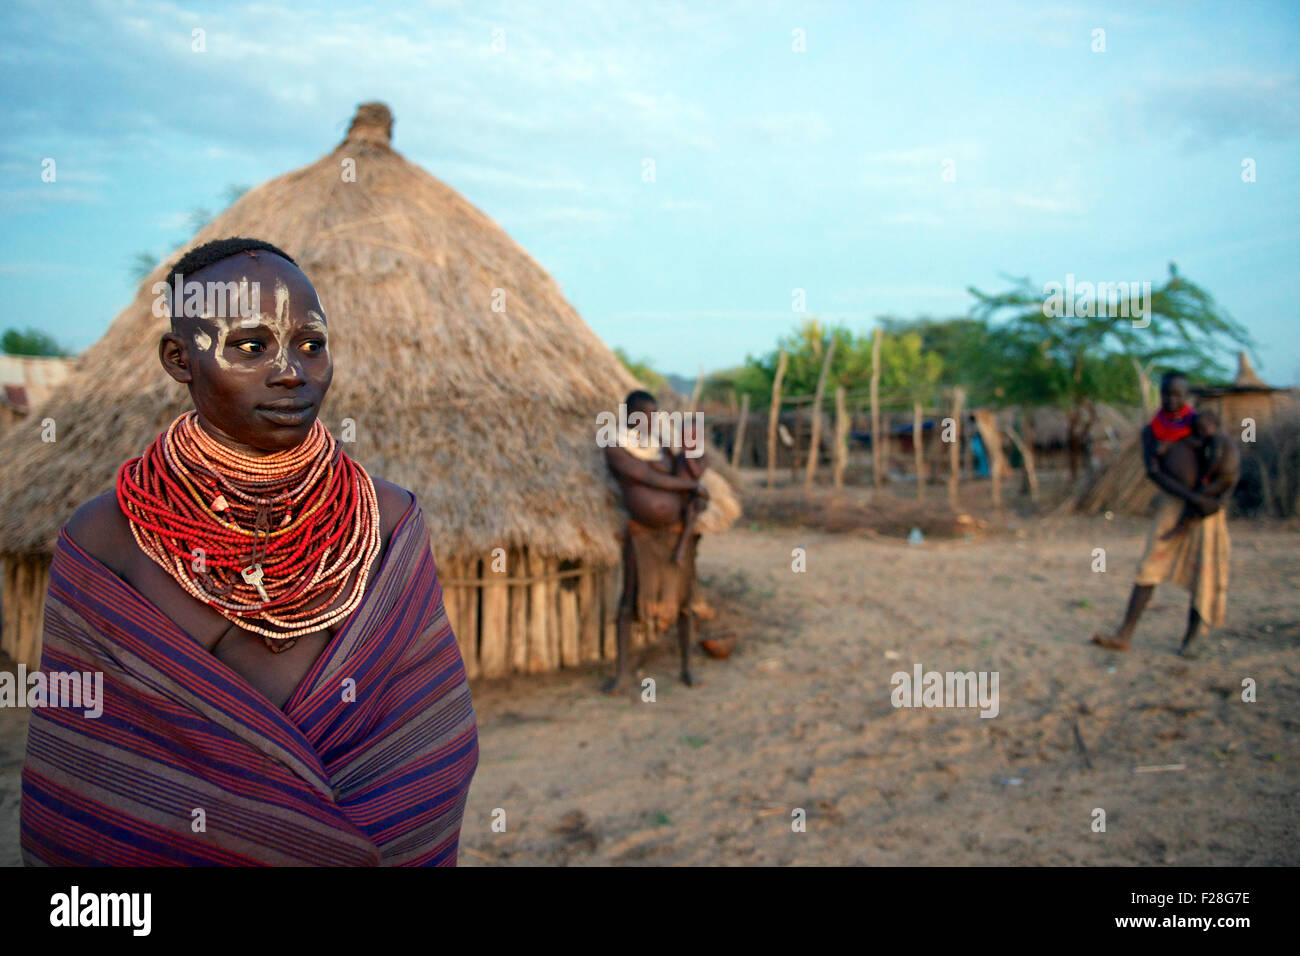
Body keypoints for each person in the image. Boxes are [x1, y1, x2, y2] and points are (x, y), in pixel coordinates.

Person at [20, 237, 479, 865]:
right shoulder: (108, 537)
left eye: (312, 345)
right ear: (179, 360)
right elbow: (86, 768)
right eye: (251, 346)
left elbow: (430, 740)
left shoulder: (387, 518)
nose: (292, 370)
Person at [1091, 371, 1232, 658]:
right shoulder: (1152, 431)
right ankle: (1124, 634)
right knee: (1149, 566)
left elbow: (1225, 460)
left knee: (1202, 572)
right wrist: (1190, 497)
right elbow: (1153, 472)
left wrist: (1213, 497)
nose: (1172, 399)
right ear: (1160, 393)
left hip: (1206, 509)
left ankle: (1190, 639)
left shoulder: (1201, 426)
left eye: (1178, 394)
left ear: (1187, 396)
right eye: (1167, 393)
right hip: (1174, 505)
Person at [602, 390, 708, 692]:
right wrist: (692, 485)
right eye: (645, 414)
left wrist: (693, 465)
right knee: (629, 602)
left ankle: (688, 668)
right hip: (642, 534)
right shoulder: (615, 446)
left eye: (654, 414)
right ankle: (623, 674)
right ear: (630, 416)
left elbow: (686, 469)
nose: (651, 420)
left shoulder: (662, 447)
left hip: (676, 534)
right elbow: (644, 477)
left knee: (685, 601)